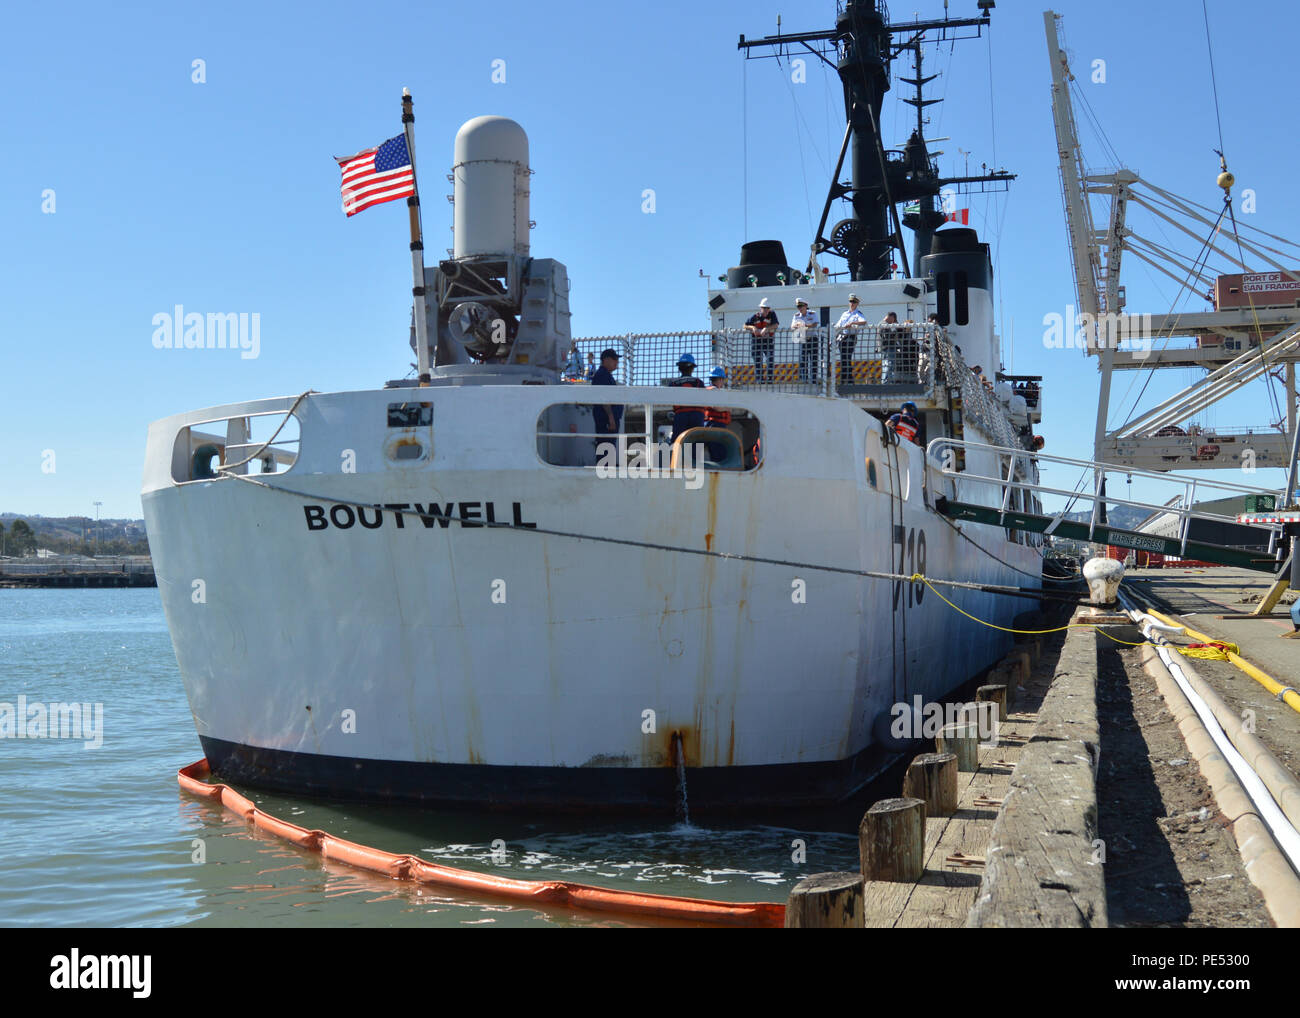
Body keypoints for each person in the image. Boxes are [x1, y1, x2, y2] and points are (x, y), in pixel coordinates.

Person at [589, 348, 623, 458]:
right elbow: (603, 398)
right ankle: (605, 472)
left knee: (608, 448)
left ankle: (606, 471)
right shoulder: (602, 375)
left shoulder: (605, 375)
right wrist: (611, 418)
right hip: (606, 421)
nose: (616, 362)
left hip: (608, 420)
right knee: (606, 448)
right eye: (614, 359)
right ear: (606, 360)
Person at [669, 352, 707, 442]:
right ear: (692, 368)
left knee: (678, 443)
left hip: (680, 416)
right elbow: (705, 398)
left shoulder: (673, 383)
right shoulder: (699, 382)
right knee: (697, 444)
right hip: (697, 416)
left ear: (679, 368)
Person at [834, 294, 868, 390]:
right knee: (843, 359)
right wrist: (834, 336)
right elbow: (838, 325)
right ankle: (846, 379)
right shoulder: (844, 314)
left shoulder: (858, 314)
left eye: (853, 302)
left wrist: (852, 323)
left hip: (851, 337)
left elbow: (863, 321)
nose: (851, 304)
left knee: (847, 358)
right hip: (842, 337)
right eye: (850, 302)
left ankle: (847, 380)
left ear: (857, 303)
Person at [744, 298, 779, 384]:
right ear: (761, 308)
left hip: (768, 341)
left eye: (767, 308)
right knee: (758, 360)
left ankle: (770, 379)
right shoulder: (755, 316)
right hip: (756, 342)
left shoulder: (772, 315)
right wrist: (753, 328)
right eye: (764, 308)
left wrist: (766, 329)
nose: (766, 310)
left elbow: (776, 324)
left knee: (770, 359)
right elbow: (745, 325)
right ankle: (760, 380)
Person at [703, 366, 733, 461]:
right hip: (715, 425)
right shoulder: (713, 390)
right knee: (718, 453)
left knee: (716, 451)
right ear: (720, 379)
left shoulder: (712, 390)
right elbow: (716, 407)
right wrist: (728, 408)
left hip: (713, 425)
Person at [790, 298, 819, 384]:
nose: (800, 308)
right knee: (803, 360)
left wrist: (804, 325)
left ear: (806, 306)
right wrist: (797, 325)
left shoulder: (812, 313)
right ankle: (804, 379)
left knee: (813, 360)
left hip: (812, 338)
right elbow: (792, 326)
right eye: (798, 306)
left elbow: (815, 324)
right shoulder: (796, 316)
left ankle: (814, 380)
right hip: (803, 339)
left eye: (801, 306)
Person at [877, 310, 902, 383]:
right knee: (888, 366)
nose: (893, 323)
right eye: (894, 320)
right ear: (892, 317)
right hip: (887, 349)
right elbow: (888, 338)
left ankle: (887, 383)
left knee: (886, 366)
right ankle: (886, 383)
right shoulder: (885, 325)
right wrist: (896, 332)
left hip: (883, 349)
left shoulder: (880, 323)